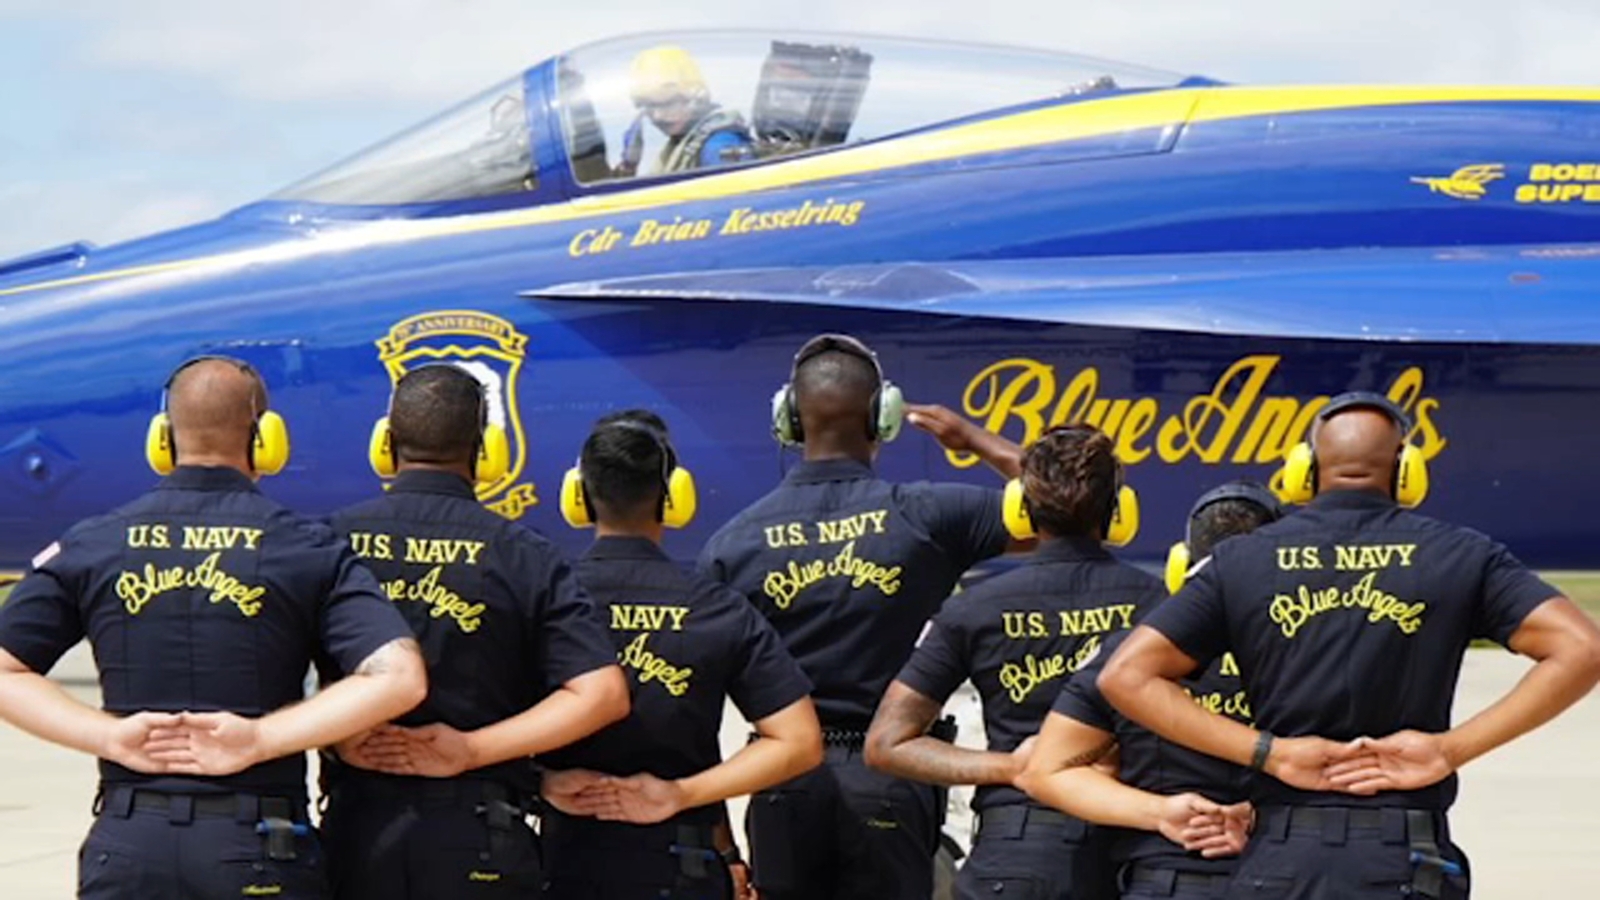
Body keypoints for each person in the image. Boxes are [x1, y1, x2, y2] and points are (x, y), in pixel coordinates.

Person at [1097, 392, 1600, 899]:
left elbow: (1126, 676)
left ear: (1304, 472)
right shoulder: (1462, 553)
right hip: (1407, 849)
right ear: (1406, 471)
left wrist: (1269, 753)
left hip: (1280, 851)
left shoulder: (1242, 560)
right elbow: (1582, 649)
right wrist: (1450, 750)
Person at [0, 356, 427, 900]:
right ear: (266, 439)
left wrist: (106, 735)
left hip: (130, 840)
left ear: (163, 439)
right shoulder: (306, 547)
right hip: (258, 842)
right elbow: (399, 677)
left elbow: (6, 667)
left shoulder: (93, 542)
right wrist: (259, 738)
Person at [697, 333, 1020, 900]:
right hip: (894, 775)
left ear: (789, 420)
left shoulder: (731, 544)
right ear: (884, 417)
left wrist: (722, 846)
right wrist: (972, 439)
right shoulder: (928, 515)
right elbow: (1080, 508)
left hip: (781, 783)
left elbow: (694, 711)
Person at [317, 364, 629, 899]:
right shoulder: (526, 555)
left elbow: (268, 676)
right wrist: (469, 750)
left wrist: (339, 735)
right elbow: (601, 695)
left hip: (357, 831)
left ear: (384, 445)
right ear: (486, 449)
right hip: (480, 831)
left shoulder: (330, 541)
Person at [865, 424, 1162, 900]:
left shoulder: (974, 609)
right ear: (1119, 511)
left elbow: (886, 743)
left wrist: (1011, 767)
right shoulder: (1164, 604)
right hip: (1133, 844)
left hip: (1017, 844)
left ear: (1019, 511)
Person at [535, 410, 822, 900]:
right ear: (673, 497)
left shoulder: (542, 598)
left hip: (561, 862)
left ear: (577, 497)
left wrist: (541, 781)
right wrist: (682, 795)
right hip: (682, 862)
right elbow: (799, 742)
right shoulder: (716, 606)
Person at [1018, 480, 1286, 900]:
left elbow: (1046, 771)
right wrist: (1267, 817)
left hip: (1166, 878)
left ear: (1181, 563)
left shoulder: (1128, 654)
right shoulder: (1316, 648)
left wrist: (1162, 813)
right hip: (1291, 873)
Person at [619, 44, 755, 177]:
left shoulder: (718, 145)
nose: (658, 116)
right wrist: (628, 167)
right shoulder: (679, 144)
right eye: (649, 107)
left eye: (668, 104)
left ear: (696, 97)